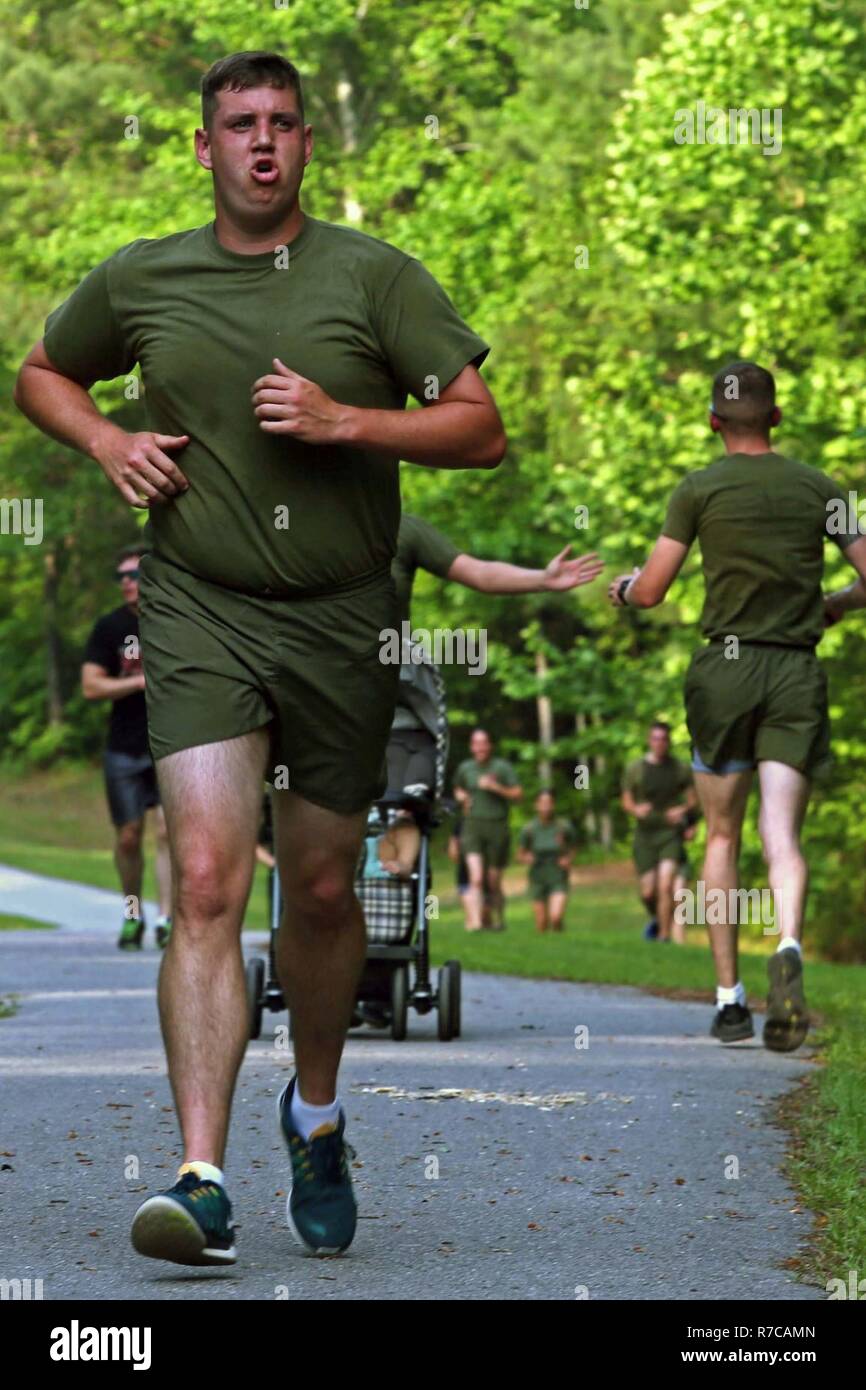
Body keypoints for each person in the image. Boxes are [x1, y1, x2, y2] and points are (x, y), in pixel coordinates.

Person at [14, 50, 506, 1266]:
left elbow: (480, 429)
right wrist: (103, 436)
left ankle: (318, 1113)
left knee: (329, 890)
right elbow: (39, 372)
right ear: (203, 145)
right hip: (198, 608)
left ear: (304, 143)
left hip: (341, 620)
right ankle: (199, 1174)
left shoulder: (373, 278)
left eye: (284, 121)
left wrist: (349, 423)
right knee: (203, 879)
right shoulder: (143, 276)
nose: (264, 142)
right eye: (239, 123)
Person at [609, 360, 866, 1049]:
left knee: (721, 836)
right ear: (775, 418)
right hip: (794, 671)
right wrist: (835, 606)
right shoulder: (820, 487)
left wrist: (626, 587)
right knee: (781, 836)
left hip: (723, 673)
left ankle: (729, 1000)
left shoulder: (697, 490)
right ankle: (787, 946)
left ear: (713, 422)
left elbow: (655, 589)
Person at [384, 510, 602, 877]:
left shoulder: (402, 529)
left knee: (406, 800)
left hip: (397, 698)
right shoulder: (310, 524)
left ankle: (399, 866)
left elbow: (479, 572)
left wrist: (542, 579)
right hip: (331, 692)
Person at [81, 543, 172, 949]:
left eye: (133, 576)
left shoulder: (174, 622)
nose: (126, 584)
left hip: (171, 744)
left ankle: (168, 918)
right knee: (129, 838)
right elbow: (91, 685)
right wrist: (138, 682)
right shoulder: (109, 628)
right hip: (123, 747)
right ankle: (133, 913)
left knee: (170, 834)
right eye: (121, 577)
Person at [621, 722, 697, 944]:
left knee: (666, 885)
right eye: (655, 738)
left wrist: (681, 810)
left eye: (664, 739)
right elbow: (626, 800)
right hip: (645, 835)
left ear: (669, 741)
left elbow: (694, 800)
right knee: (648, 892)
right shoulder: (635, 769)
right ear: (649, 741)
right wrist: (636, 809)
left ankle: (664, 937)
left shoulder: (680, 769)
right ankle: (658, 919)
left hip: (670, 834)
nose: (659, 743)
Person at [454, 729, 522, 931]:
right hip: (472, 826)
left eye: (484, 743)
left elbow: (518, 795)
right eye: (476, 743)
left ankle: (499, 919)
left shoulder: (502, 768)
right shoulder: (465, 768)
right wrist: (460, 796)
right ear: (471, 747)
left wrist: (495, 788)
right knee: (475, 877)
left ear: (490, 746)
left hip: (497, 826)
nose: (480, 747)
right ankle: (475, 923)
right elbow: (458, 788)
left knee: (493, 881)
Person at [517, 790, 576, 931]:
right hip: (538, 875)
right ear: (536, 805)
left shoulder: (563, 827)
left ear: (553, 805)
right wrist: (527, 858)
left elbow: (573, 846)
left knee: (556, 917)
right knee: (541, 922)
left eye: (549, 803)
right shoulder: (529, 829)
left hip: (557, 874)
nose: (546, 807)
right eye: (542, 803)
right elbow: (519, 854)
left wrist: (568, 859)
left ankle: (560, 938)